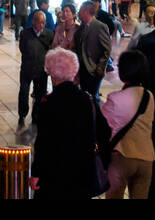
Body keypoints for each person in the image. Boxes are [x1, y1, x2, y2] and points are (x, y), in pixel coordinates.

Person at [29, 48, 102, 200]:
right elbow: (100, 132)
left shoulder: (48, 102)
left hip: (54, 173)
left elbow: (43, 141)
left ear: (52, 74)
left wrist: (36, 172)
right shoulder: (87, 100)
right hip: (82, 172)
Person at [101, 49, 155, 199]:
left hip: (122, 157)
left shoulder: (115, 99)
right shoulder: (149, 96)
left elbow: (103, 127)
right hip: (146, 158)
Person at [18, 10, 53, 126]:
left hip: (41, 70)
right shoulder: (25, 33)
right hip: (27, 69)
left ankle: (36, 116)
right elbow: (22, 48)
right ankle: (22, 113)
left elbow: (50, 49)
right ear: (34, 22)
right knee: (24, 91)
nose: (41, 25)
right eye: (39, 22)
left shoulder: (48, 34)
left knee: (40, 94)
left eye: (43, 23)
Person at [76, 1, 112, 98]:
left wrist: (100, 66)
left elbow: (107, 49)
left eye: (80, 10)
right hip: (83, 69)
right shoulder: (81, 27)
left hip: (94, 70)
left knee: (93, 98)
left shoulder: (100, 26)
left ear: (86, 12)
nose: (78, 13)